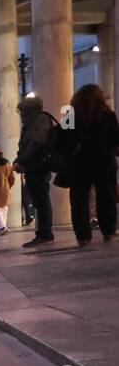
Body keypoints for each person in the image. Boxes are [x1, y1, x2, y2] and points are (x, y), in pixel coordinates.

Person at [64, 84, 118, 246]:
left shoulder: (71, 114)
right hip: (104, 160)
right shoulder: (108, 115)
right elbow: (116, 139)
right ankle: (108, 231)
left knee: (79, 199)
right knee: (106, 196)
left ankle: (83, 236)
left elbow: (63, 139)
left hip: (79, 162)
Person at [14, 94, 57, 248]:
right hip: (31, 167)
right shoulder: (30, 123)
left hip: (38, 166)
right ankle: (42, 233)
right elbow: (25, 145)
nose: (21, 115)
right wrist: (20, 160)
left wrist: (21, 160)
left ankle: (45, 234)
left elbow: (37, 144)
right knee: (39, 201)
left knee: (42, 201)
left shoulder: (40, 119)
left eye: (22, 111)